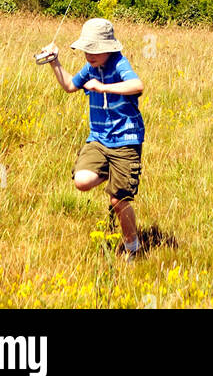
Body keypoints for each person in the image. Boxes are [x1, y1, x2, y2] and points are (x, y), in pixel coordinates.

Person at [39, 18, 145, 259]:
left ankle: (133, 249)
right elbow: (69, 85)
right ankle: (111, 174)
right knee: (82, 181)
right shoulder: (90, 68)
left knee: (119, 201)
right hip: (98, 138)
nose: (89, 54)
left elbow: (137, 85)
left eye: (94, 49)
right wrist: (54, 61)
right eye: (87, 49)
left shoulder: (119, 64)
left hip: (126, 139)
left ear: (109, 47)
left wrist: (104, 87)